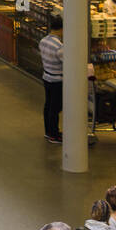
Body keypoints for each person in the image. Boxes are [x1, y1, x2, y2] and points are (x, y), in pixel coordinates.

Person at [39, 15, 64, 143]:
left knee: (48, 106)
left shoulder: (43, 41)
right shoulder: (59, 47)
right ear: (61, 29)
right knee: (55, 108)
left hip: (46, 77)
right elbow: (67, 62)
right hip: (57, 80)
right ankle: (54, 135)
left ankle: (48, 132)